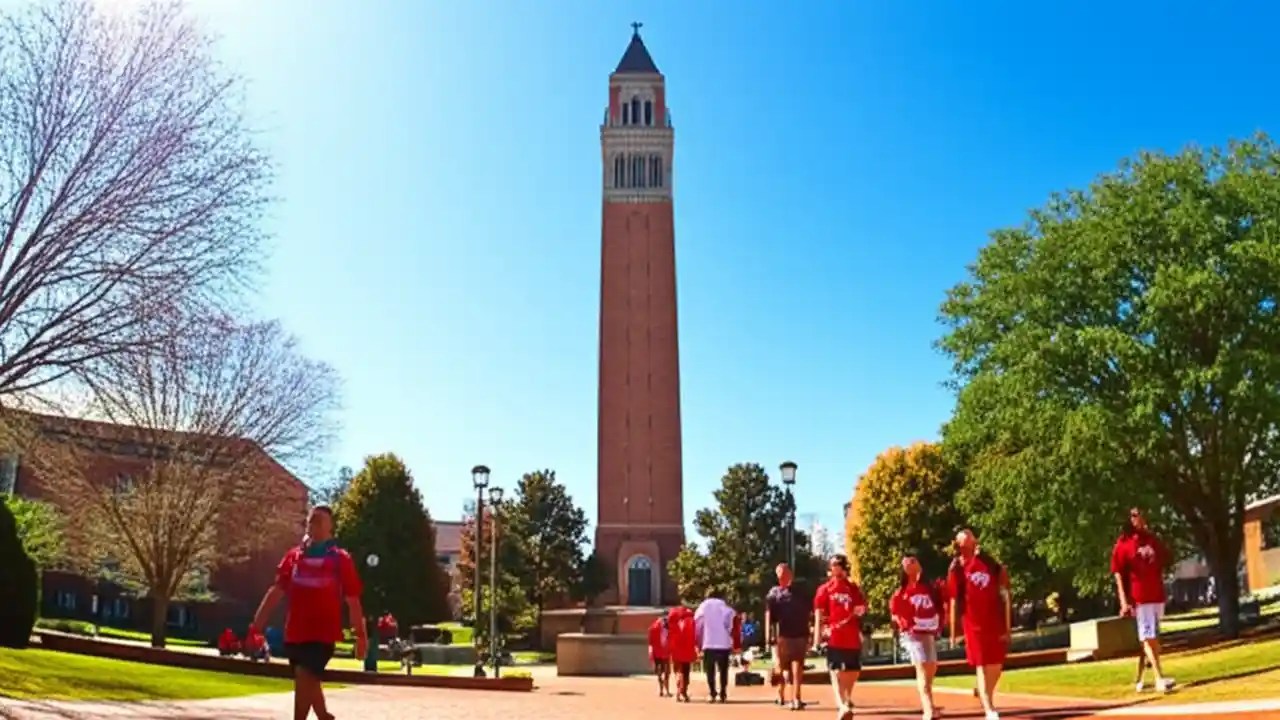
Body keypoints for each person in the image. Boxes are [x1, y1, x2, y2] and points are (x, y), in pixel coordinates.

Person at [252, 506, 367, 720]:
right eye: (310, 520)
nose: (313, 524)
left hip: (322, 634)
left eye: (319, 520)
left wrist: (360, 635)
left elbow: (353, 600)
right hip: (295, 633)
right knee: (307, 681)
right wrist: (257, 624)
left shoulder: (340, 560)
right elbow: (276, 591)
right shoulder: (294, 557)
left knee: (305, 677)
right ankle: (323, 716)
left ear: (330, 527)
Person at [947, 528, 1011, 720]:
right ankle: (989, 707)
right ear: (958, 546)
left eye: (970, 541)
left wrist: (1007, 624)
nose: (968, 546)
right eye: (963, 544)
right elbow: (953, 600)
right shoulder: (957, 568)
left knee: (997, 665)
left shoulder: (989, 563)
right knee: (982, 665)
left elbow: (1003, 587)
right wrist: (953, 631)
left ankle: (985, 694)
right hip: (972, 623)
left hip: (994, 620)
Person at [1111, 507, 1175, 693]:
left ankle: (1140, 678)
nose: (1139, 517)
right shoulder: (1122, 545)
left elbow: (1164, 560)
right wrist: (1124, 602)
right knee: (1149, 638)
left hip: (1157, 595)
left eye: (1140, 514)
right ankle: (1159, 679)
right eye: (1134, 515)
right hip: (1140, 598)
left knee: (1151, 638)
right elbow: (1118, 575)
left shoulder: (1151, 539)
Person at [813, 554, 866, 720]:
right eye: (834, 565)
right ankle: (841, 705)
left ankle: (846, 698)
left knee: (853, 671)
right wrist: (818, 637)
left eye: (840, 564)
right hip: (833, 636)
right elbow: (819, 614)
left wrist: (860, 610)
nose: (837, 568)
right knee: (835, 671)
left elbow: (861, 607)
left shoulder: (853, 588)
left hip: (851, 637)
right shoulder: (824, 589)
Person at [891, 554, 943, 720]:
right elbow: (895, 613)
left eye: (914, 561)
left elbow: (940, 607)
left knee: (931, 668)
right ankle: (928, 710)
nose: (910, 565)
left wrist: (940, 625)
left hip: (929, 633)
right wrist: (903, 624)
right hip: (913, 635)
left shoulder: (930, 588)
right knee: (922, 669)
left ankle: (930, 705)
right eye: (907, 563)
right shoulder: (901, 592)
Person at [766, 562, 810, 710]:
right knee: (784, 668)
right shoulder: (774, 594)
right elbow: (769, 616)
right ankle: (783, 694)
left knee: (795, 667)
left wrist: (809, 633)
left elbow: (807, 614)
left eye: (783, 575)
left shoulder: (799, 593)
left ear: (790, 575)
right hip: (783, 636)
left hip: (797, 635)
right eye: (779, 576)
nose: (781, 579)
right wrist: (769, 636)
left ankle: (794, 697)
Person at [695, 587, 736, 703]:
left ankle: (712, 692)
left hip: (708, 642)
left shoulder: (702, 607)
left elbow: (698, 625)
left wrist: (698, 642)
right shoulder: (725, 608)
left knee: (710, 670)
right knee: (723, 670)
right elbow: (731, 624)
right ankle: (723, 693)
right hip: (723, 643)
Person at [669, 605, 698, 702]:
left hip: (676, 651)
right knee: (686, 672)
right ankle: (684, 692)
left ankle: (678, 691)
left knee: (678, 671)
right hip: (687, 651)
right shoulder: (691, 621)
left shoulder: (673, 623)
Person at [648, 611, 673, 697]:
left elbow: (650, 641)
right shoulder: (657, 627)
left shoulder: (655, 626)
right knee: (664, 672)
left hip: (660, 652)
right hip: (661, 653)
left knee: (662, 672)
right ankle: (664, 690)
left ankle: (663, 690)